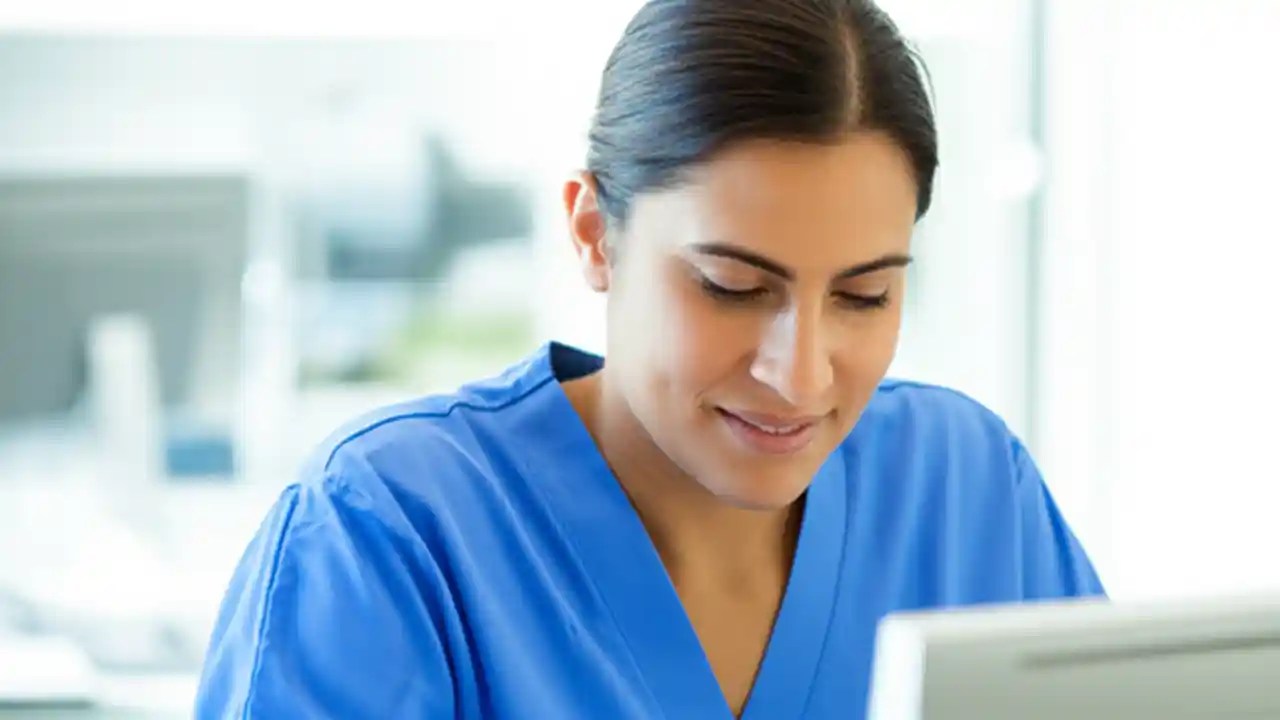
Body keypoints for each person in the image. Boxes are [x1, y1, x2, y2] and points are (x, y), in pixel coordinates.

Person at [196, 0, 1105, 718]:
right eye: (731, 285)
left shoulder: (966, 492)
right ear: (595, 235)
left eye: (863, 296)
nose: (802, 376)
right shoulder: (390, 529)